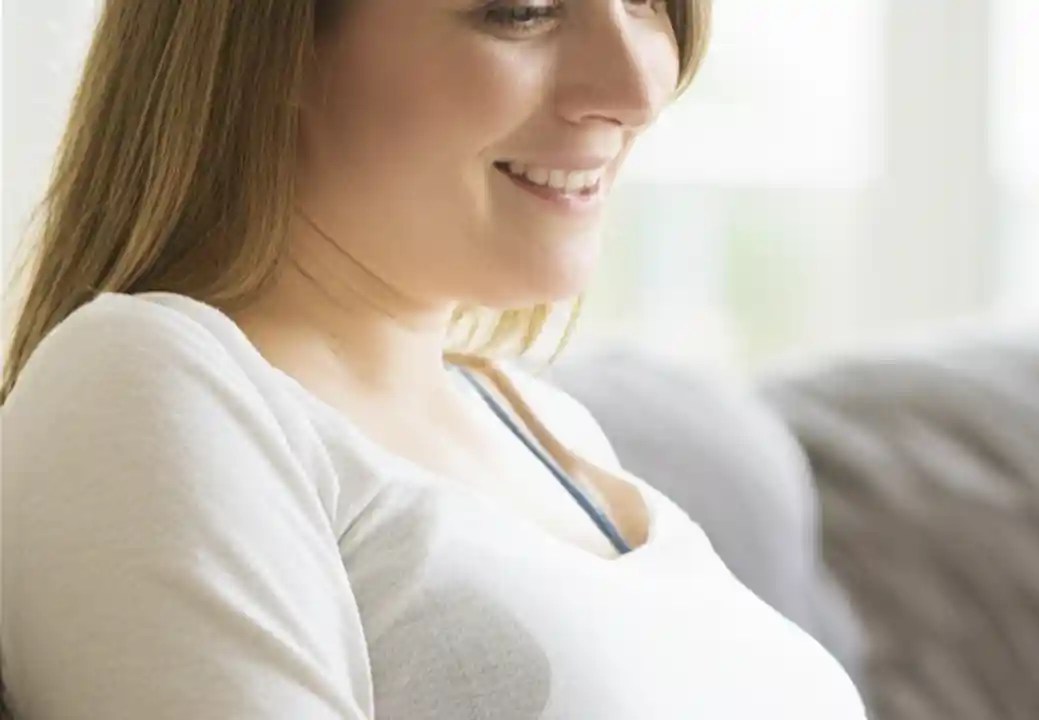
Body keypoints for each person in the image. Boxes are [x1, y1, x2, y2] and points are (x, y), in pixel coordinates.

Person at [1, 1, 867, 717]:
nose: (639, 91)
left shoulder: (547, 428)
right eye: (523, 12)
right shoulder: (144, 386)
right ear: (277, 45)